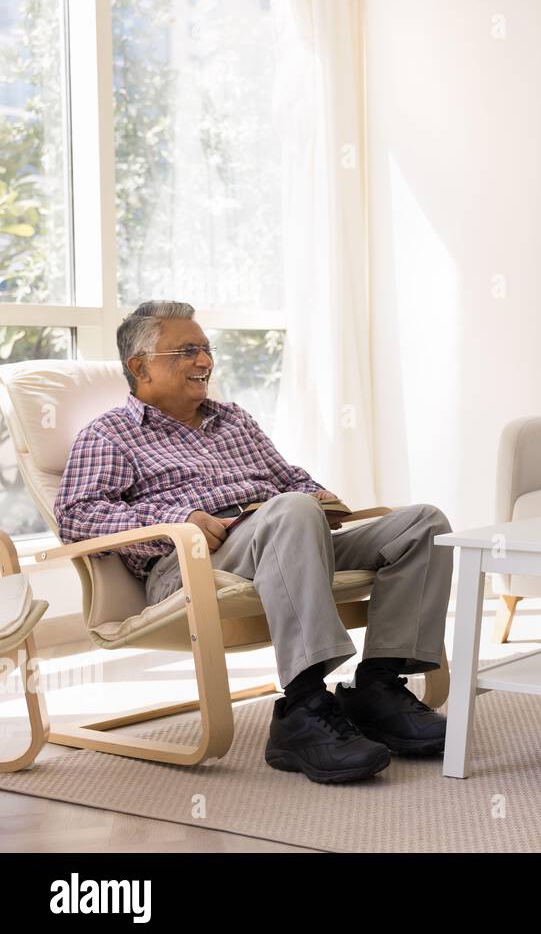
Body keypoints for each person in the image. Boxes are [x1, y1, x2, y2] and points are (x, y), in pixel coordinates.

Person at [54, 300, 452, 784]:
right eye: (187, 351)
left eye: (205, 349)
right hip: (196, 561)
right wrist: (181, 516)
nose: (204, 361)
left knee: (423, 523)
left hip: (288, 533)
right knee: (290, 509)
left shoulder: (234, 420)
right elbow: (77, 515)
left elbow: (289, 478)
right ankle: (303, 710)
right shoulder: (111, 434)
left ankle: (379, 687)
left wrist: (318, 495)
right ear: (141, 366)